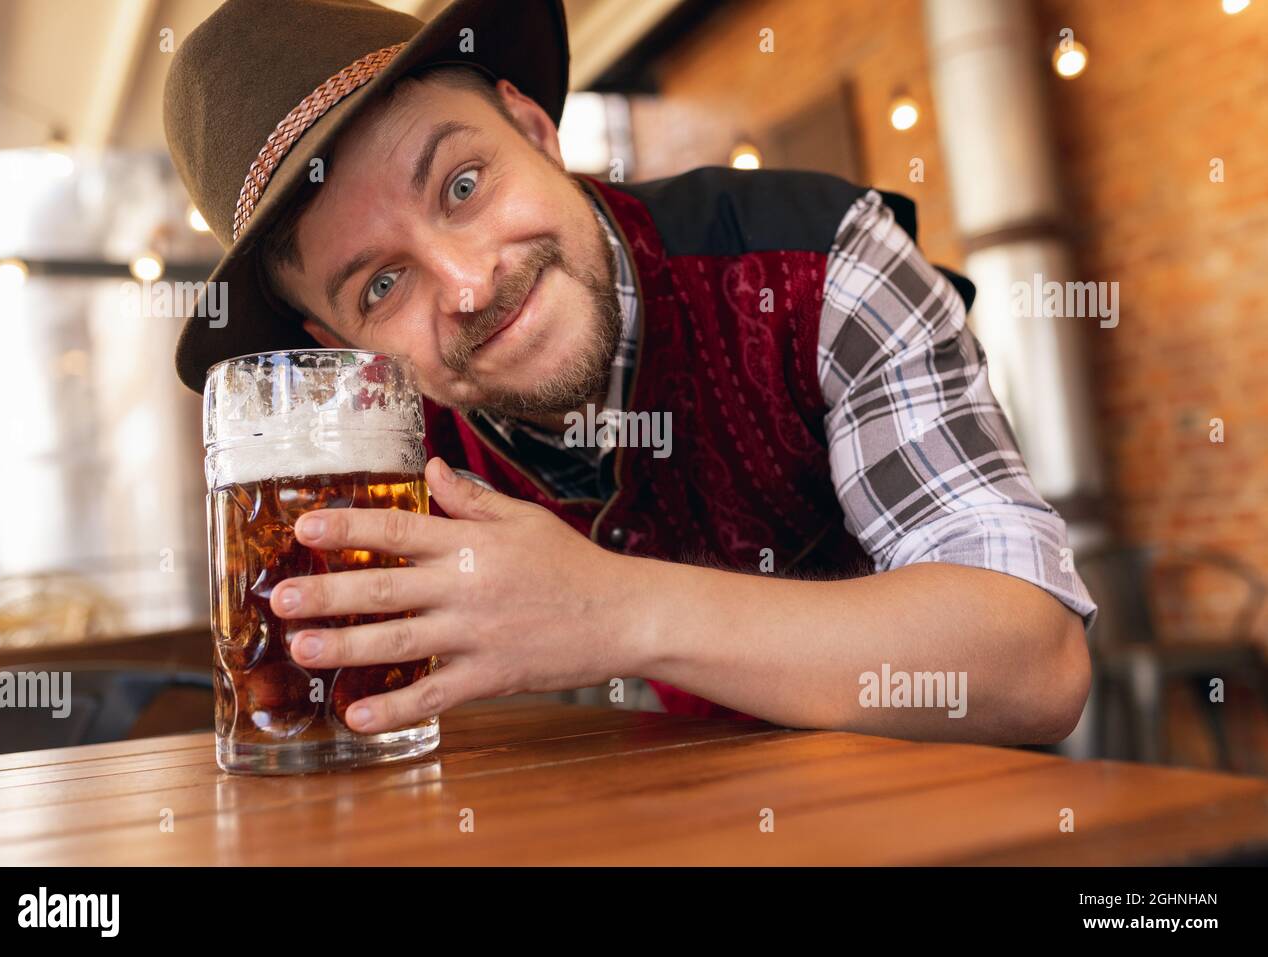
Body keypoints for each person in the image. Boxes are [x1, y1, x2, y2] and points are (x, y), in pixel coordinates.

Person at [166, 0, 1096, 744]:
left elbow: (1034, 661)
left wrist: (609, 608)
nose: (466, 282)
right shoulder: (383, 454)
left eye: (461, 185)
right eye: (380, 284)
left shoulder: (821, 266)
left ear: (533, 127)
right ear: (340, 350)